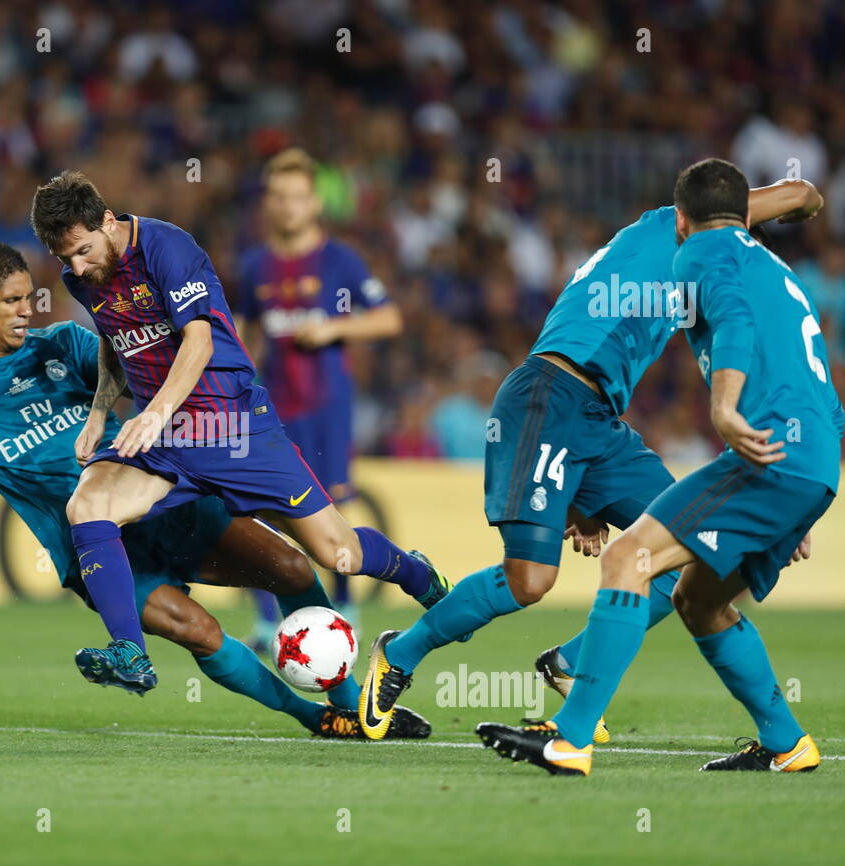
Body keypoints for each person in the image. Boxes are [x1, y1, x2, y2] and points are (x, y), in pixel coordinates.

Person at [0, 242, 430, 740]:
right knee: (199, 631)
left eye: (30, 298)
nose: (27, 311)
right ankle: (315, 717)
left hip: (164, 501)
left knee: (293, 568)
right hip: (95, 550)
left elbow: (137, 378)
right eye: (12, 301)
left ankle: (355, 707)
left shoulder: (66, 345)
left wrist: (137, 405)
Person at [358, 174, 823, 741]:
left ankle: (570, 665)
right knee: (530, 580)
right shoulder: (674, 228)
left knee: (686, 551)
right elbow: (796, 193)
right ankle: (399, 655)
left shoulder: (707, 260)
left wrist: (771, 499)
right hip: (549, 395)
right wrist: (806, 206)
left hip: (601, 421)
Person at [478, 158, 839, 775]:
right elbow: (820, 392)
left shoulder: (697, 253)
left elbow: (733, 323)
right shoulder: (773, 268)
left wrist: (724, 408)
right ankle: (787, 743)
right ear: (745, 216)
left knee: (629, 558)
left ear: (680, 219)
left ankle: (570, 739)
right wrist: (797, 494)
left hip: (770, 458)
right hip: (811, 462)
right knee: (699, 602)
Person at [30, 170, 449, 695]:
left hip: (231, 427)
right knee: (87, 505)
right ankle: (130, 652)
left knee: (338, 551)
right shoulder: (84, 276)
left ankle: (417, 575)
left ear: (108, 222)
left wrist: (155, 412)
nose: (77, 267)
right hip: (163, 441)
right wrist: (99, 412)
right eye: (65, 258)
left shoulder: (166, 247)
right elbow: (116, 341)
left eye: (84, 251)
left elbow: (199, 343)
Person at [236, 148, 402, 642]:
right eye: (279, 196)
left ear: (314, 204)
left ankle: (345, 612)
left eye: (298, 197)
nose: (288, 206)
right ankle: (267, 621)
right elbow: (244, 329)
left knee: (333, 511)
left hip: (327, 403)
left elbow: (389, 318)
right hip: (271, 407)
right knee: (256, 511)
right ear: (268, 202)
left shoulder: (339, 260)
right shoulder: (253, 266)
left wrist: (332, 328)